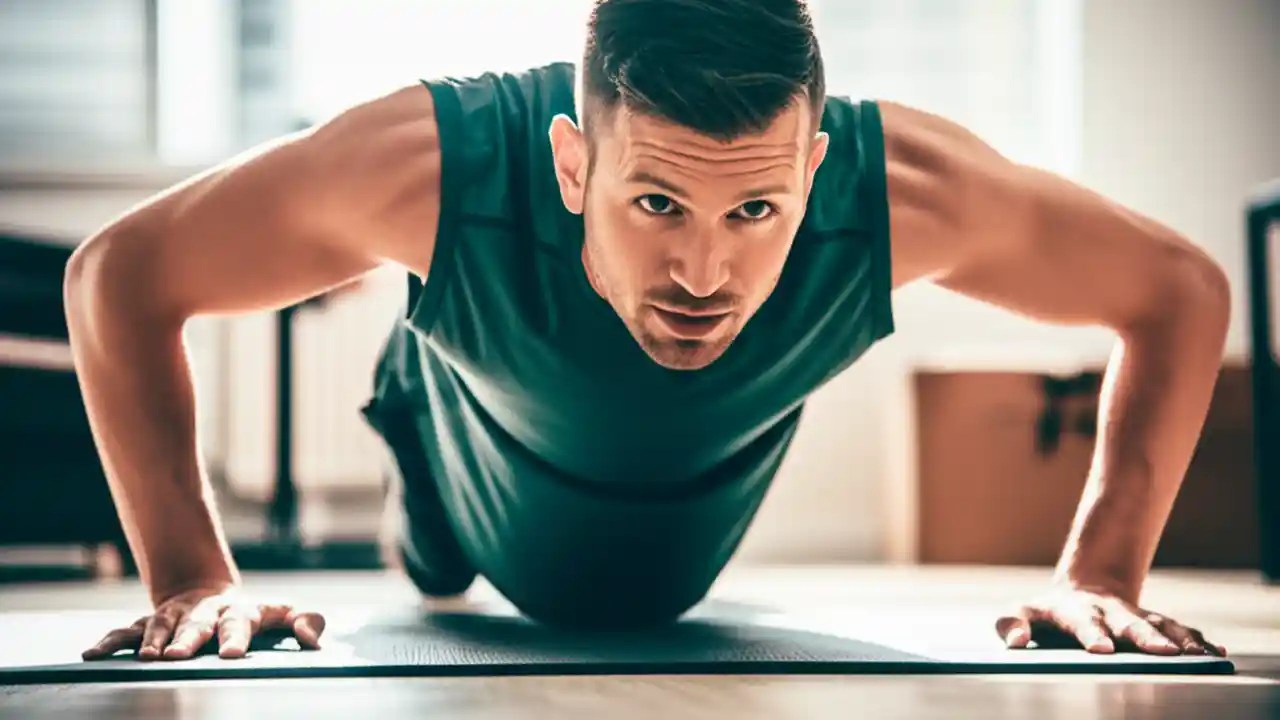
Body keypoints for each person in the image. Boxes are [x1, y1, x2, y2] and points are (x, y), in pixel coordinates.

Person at [68, 0, 1229, 662]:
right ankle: (415, 423)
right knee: (431, 565)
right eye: (657, 203)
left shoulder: (896, 190)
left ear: (813, 168)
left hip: (679, 522)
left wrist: (1102, 573)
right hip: (477, 452)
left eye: (756, 210)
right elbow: (118, 276)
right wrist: (190, 579)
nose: (703, 273)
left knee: (636, 602)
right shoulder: (434, 163)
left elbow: (1177, 290)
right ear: (574, 161)